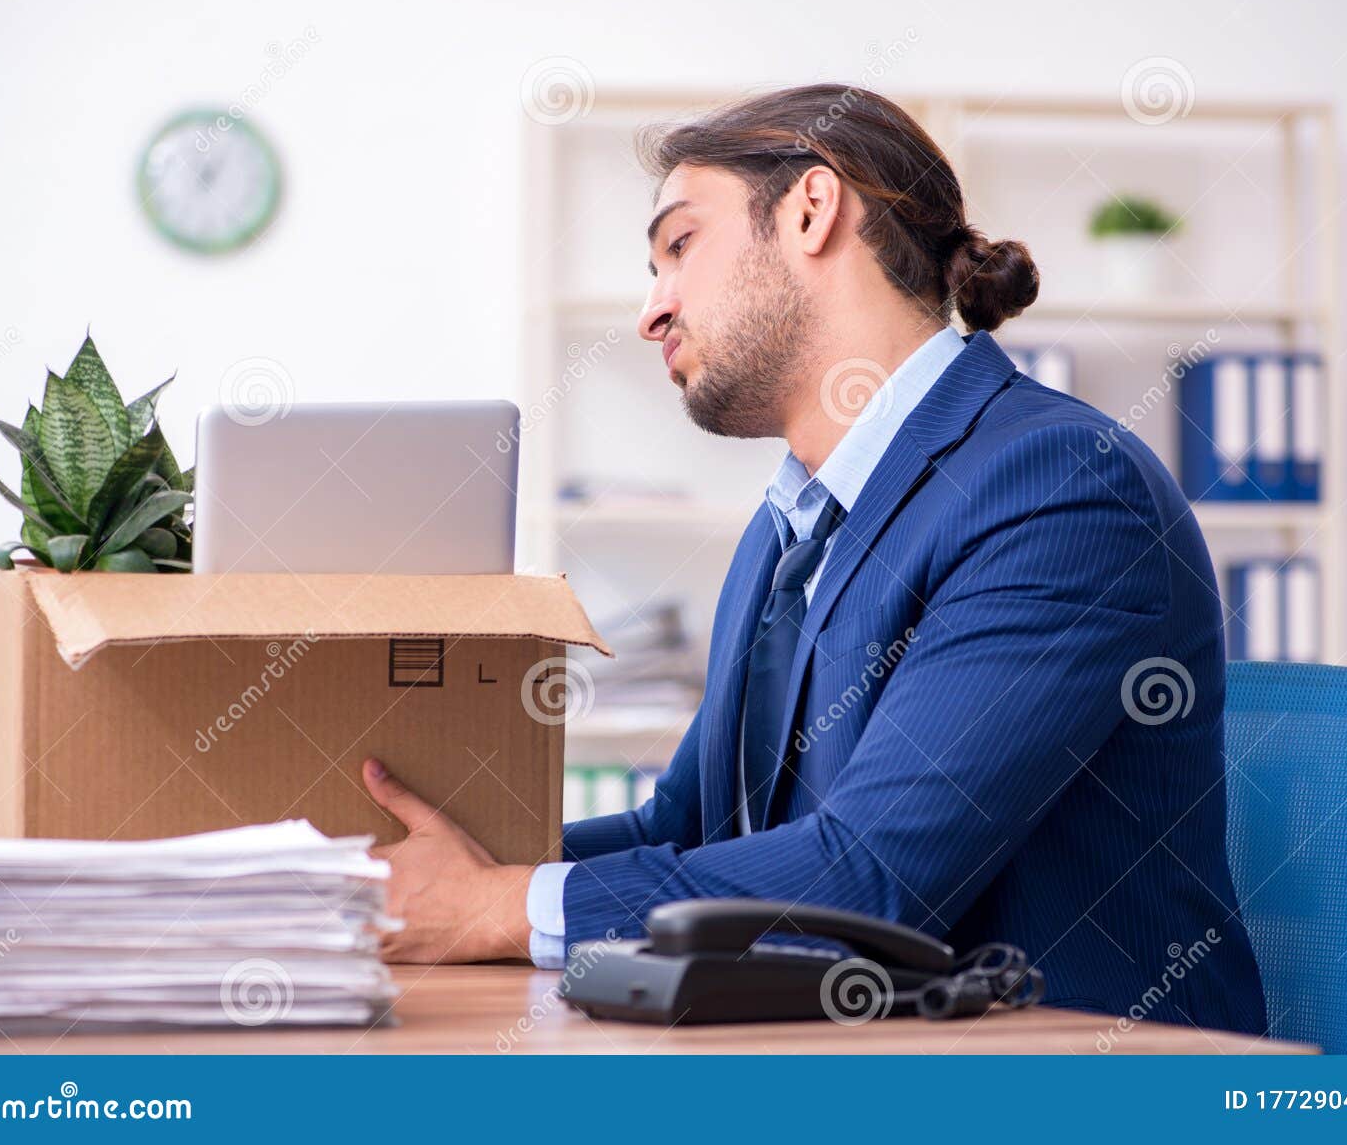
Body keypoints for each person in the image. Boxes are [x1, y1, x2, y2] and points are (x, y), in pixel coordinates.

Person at [360, 82, 1268, 1035]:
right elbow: (687, 829)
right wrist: (414, 873)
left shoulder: (1059, 487)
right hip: (849, 1058)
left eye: (678, 247)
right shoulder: (790, 524)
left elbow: (868, 884)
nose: (651, 312)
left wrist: (498, 906)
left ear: (810, 209)